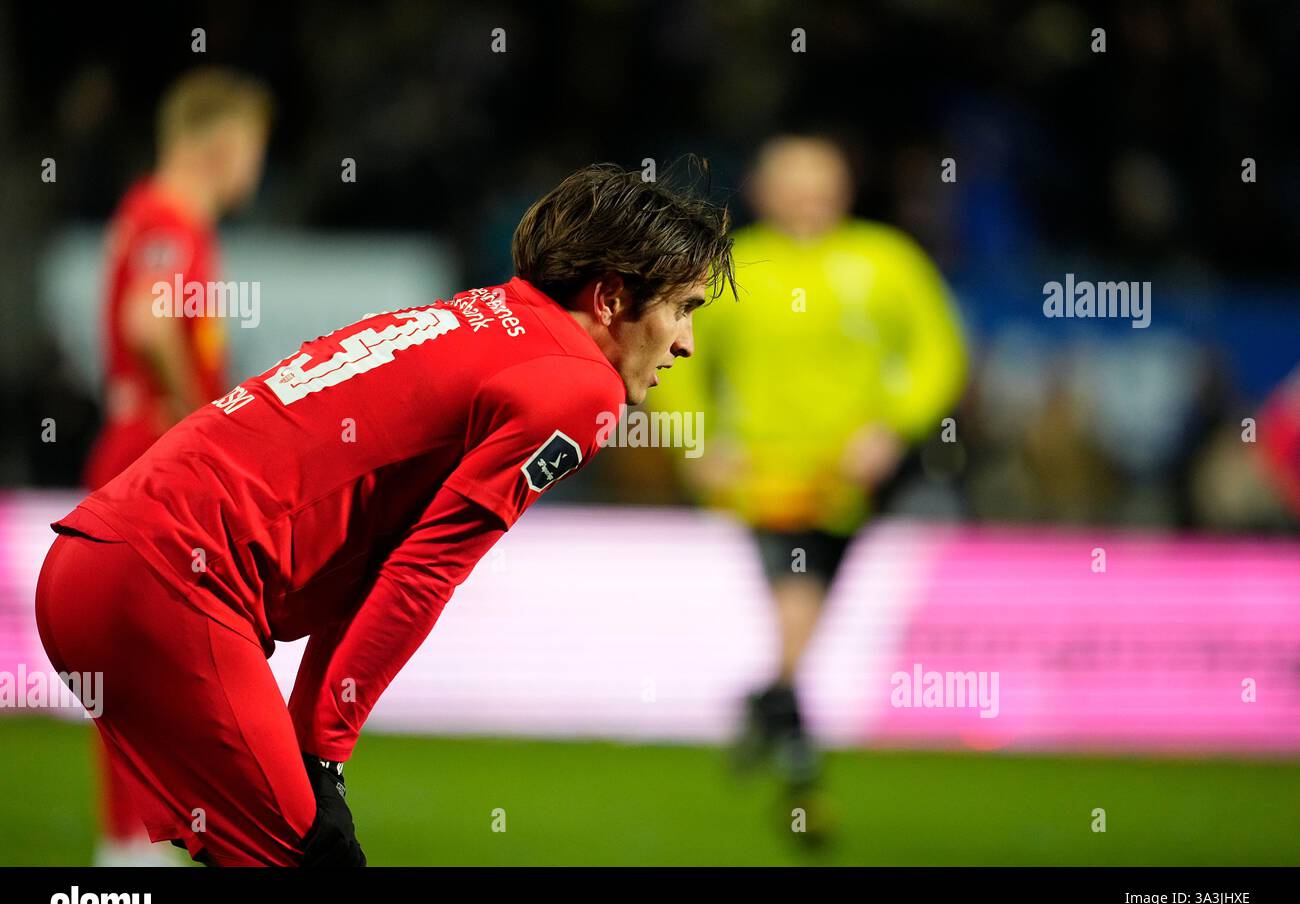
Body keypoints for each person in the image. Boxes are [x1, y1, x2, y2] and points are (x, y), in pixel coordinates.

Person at [35, 163, 735, 866]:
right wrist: (323, 752)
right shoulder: (580, 389)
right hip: (170, 584)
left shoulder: (481, 318)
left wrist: (317, 745)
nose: (685, 344)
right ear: (612, 297)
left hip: (99, 563)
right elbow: (423, 572)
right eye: (684, 309)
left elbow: (377, 561)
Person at [651, 135, 966, 794]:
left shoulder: (886, 260)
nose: (808, 198)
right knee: (799, 588)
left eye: (820, 182)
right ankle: (793, 737)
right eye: (793, 182)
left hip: (854, 475)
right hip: (761, 473)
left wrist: (893, 426)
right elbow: (676, 353)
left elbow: (939, 350)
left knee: (817, 593)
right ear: (762, 190)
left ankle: (774, 706)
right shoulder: (729, 265)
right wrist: (697, 441)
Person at [82, 67, 272, 865]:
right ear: (224, 144)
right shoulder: (172, 220)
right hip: (149, 457)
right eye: (256, 146)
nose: (257, 166)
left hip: (130, 447)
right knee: (156, 668)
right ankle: (132, 848)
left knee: (143, 666)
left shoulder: (143, 214)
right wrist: (196, 414)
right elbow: (147, 321)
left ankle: (136, 841)